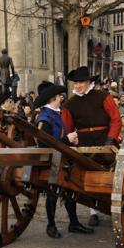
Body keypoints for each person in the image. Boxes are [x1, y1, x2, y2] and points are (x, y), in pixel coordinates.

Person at [62, 66, 122, 227]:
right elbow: (68, 128)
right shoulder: (69, 104)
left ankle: (116, 204)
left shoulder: (103, 96)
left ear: (89, 82)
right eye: (75, 83)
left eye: (80, 82)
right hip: (84, 143)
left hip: (105, 139)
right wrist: (73, 141)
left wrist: (111, 138)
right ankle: (93, 212)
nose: (77, 86)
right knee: (87, 174)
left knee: (112, 173)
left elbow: (116, 119)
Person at [33, 80, 92, 238]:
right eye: (59, 96)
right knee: (52, 194)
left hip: (63, 160)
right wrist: (67, 139)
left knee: (70, 191)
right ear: (54, 98)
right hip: (52, 162)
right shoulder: (44, 118)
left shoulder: (54, 114)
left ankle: (74, 223)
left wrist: (71, 140)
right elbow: (44, 144)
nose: (62, 98)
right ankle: (51, 225)